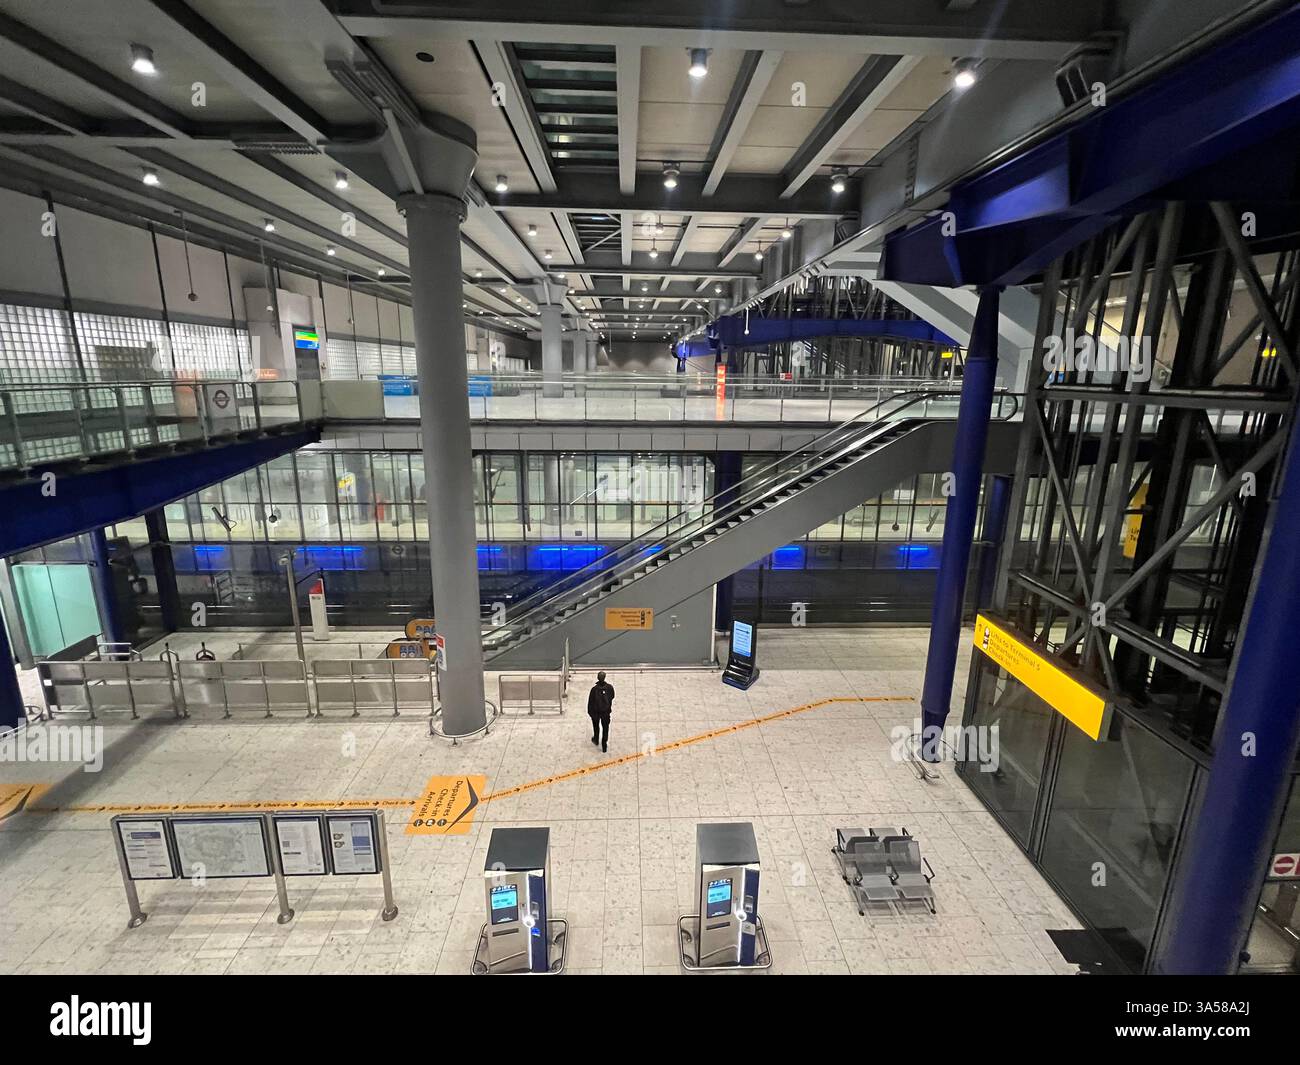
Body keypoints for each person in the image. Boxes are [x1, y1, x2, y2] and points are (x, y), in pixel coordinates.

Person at [587, 671, 615, 752]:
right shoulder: (609, 688)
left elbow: (591, 702)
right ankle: (604, 744)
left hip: (596, 713)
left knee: (596, 727)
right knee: (605, 728)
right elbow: (612, 696)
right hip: (606, 713)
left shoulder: (594, 690)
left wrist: (590, 712)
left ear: (597, 678)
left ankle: (596, 739)